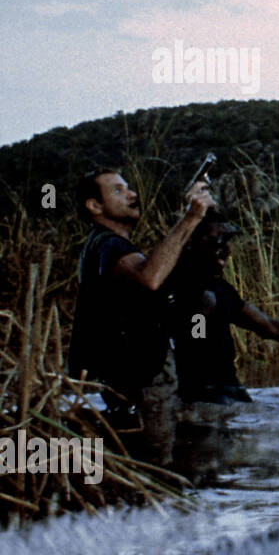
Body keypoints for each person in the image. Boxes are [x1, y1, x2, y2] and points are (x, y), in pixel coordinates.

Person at [67, 167, 213, 463]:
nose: (132, 194)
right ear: (94, 206)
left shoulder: (104, 246)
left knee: (139, 462)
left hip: (127, 384)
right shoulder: (108, 245)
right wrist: (191, 217)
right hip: (139, 384)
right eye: (118, 190)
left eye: (129, 187)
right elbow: (151, 276)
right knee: (157, 466)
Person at [166, 211, 279, 404]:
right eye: (217, 241)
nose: (224, 249)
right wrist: (199, 317)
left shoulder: (222, 289)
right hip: (204, 394)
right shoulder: (177, 283)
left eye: (226, 242)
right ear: (191, 241)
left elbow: (269, 327)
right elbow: (190, 342)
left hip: (229, 390)